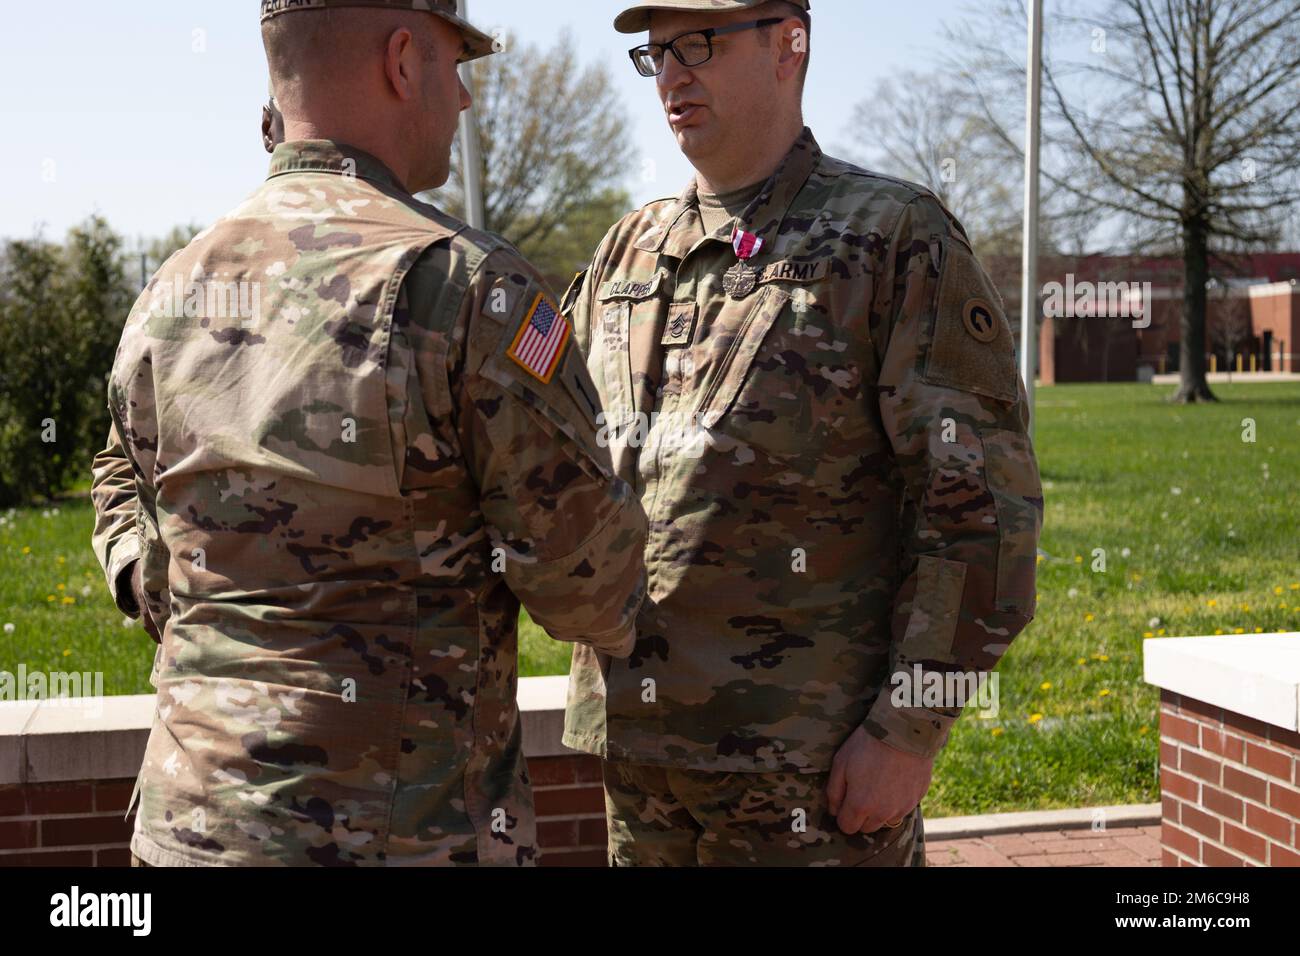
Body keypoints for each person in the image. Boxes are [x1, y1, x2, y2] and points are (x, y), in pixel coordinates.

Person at [91, 0, 646, 867]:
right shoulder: (469, 288)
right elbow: (588, 589)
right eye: (455, 65)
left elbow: (124, 481)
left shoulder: (172, 287)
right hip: (399, 835)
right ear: (402, 60)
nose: (464, 97)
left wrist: (154, 584)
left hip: (186, 829)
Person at [559, 0, 1043, 866]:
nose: (671, 75)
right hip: (639, 765)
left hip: (809, 778)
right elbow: (545, 456)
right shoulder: (626, 252)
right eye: (656, 52)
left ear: (791, 45)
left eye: (698, 43)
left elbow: (981, 512)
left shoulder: (893, 237)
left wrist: (907, 731)